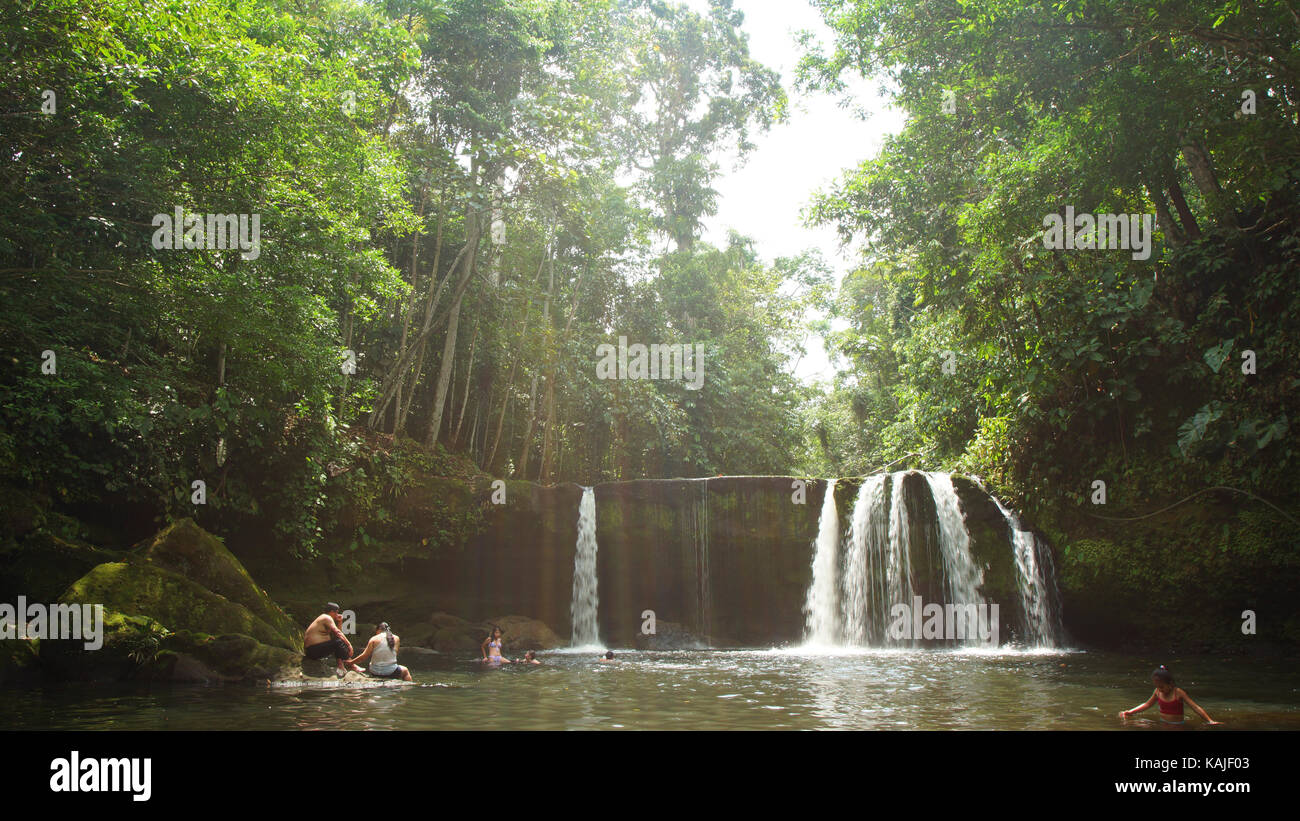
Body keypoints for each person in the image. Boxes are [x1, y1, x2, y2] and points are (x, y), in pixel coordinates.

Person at [1120, 665, 1221, 725]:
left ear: (1171, 684)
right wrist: (1131, 712)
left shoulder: (1178, 693)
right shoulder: (1157, 691)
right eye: (1157, 686)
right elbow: (1147, 705)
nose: (1160, 689)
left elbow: (1195, 707)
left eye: (1162, 687)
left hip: (1177, 726)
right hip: (1163, 723)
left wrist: (1210, 721)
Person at [304, 603, 364, 677]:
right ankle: (351, 664)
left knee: (337, 641)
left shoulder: (325, 619)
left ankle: (341, 666)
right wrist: (349, 645)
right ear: (332, 612)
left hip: (313, 651)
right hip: (313, 650)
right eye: (336, 612)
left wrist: (340, 622)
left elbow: (336, 635)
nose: (337, 614)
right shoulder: (326, 617)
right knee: (338, 642)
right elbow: (338, 633)